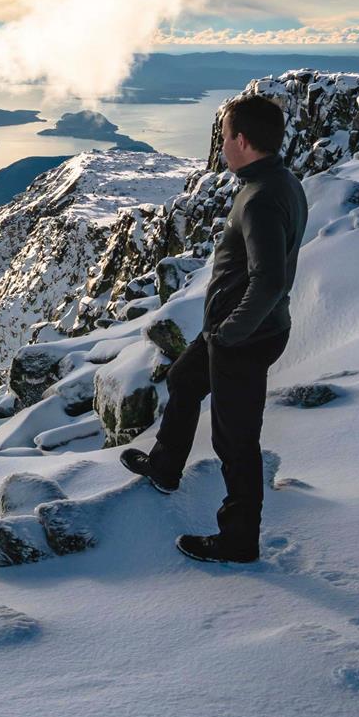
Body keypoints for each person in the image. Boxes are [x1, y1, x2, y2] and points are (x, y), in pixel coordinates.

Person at [121, 93, 308, 564]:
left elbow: (270, 279)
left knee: (235, 441)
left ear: (242, 141)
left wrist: (230, 333)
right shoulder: (276, 181)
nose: (221, 147)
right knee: (184, 380)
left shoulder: (262, 198)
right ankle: (165, 467)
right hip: (234, 330)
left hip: (243, 337)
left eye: (224, 138)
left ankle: (239, 539)